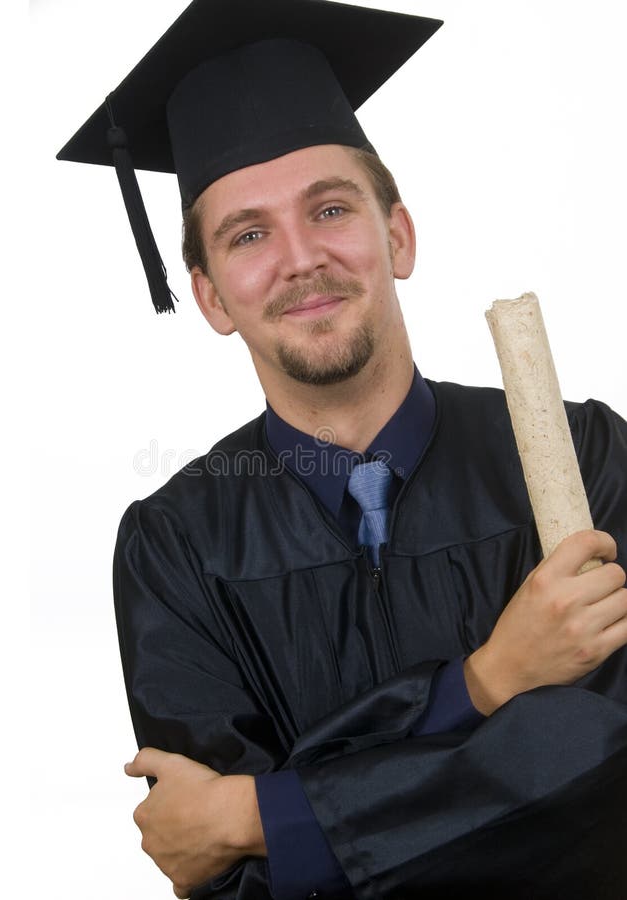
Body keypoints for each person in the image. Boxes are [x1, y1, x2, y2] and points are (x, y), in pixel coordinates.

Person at [57, 1, 627, 898]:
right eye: (248, 235)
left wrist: (261, 815)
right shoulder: (176, 547)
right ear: (209, 297)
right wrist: (486, 686)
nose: (299, 259)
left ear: (395, 236)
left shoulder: (581, 456)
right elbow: (229, 885)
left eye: (329, 209)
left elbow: (604, 771)